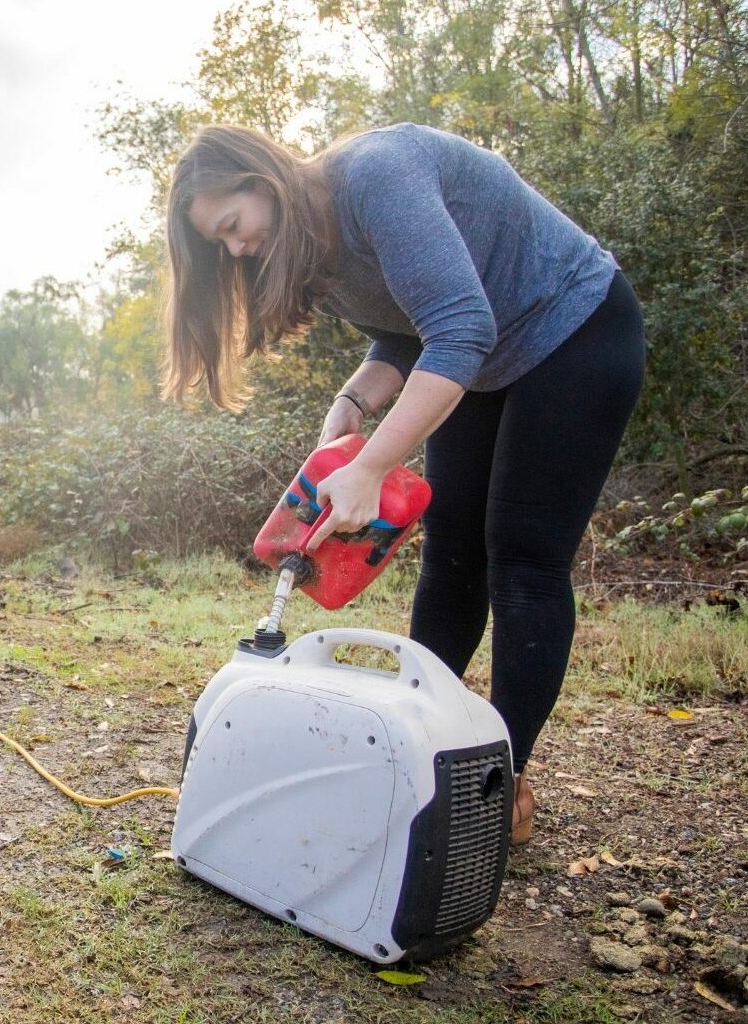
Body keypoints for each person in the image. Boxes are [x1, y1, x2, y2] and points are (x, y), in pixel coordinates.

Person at [163, 122, 646, 844]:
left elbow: (458, 327)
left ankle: (498, 787)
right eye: (220, 243)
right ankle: (426, 753)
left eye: (233, 226)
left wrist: (374, 466)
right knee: (452, 555)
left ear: (262, 182)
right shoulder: (305, 246)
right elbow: (406, 327)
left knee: (520, 558)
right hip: (481, 353)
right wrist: (352, 408)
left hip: (573, 328)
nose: (235, 250)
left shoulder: (378, 177)